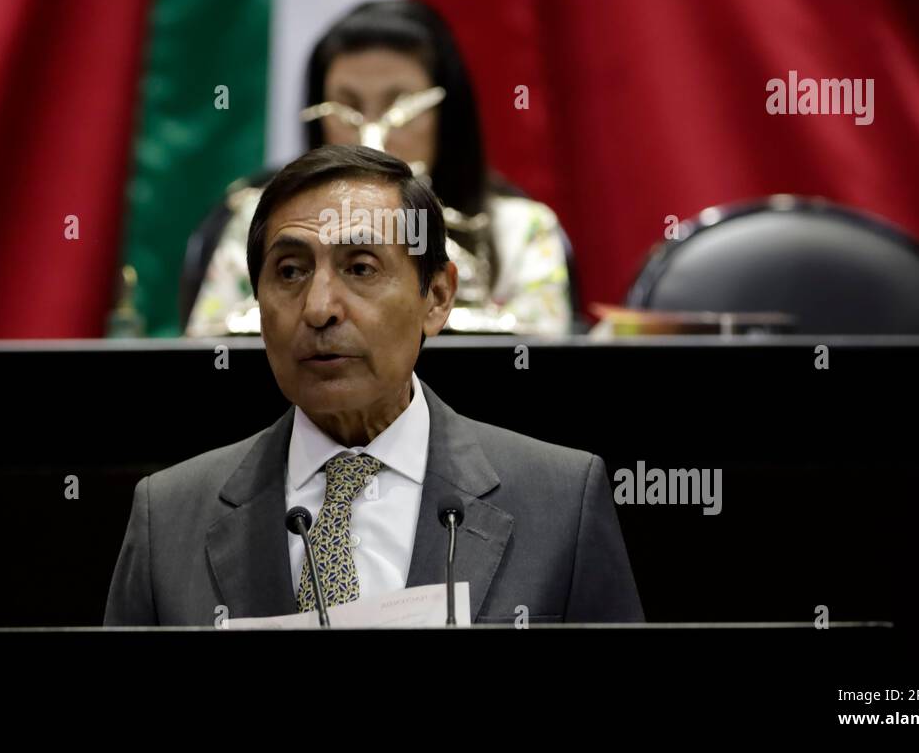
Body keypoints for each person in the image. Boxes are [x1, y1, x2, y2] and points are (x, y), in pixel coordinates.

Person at [105, 145, 642, 626]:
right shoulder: (168, 517)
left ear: (436, 296)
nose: (318, 309)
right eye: (290, 272)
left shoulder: (561, 500)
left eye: (360, 268)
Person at [184, 0, 574, 336]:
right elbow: (209, 355)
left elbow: (539, 371)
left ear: (446, 114)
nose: (371, 128)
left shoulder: (522, 231)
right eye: (347, 105)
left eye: (400, 104)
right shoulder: (258, 217)